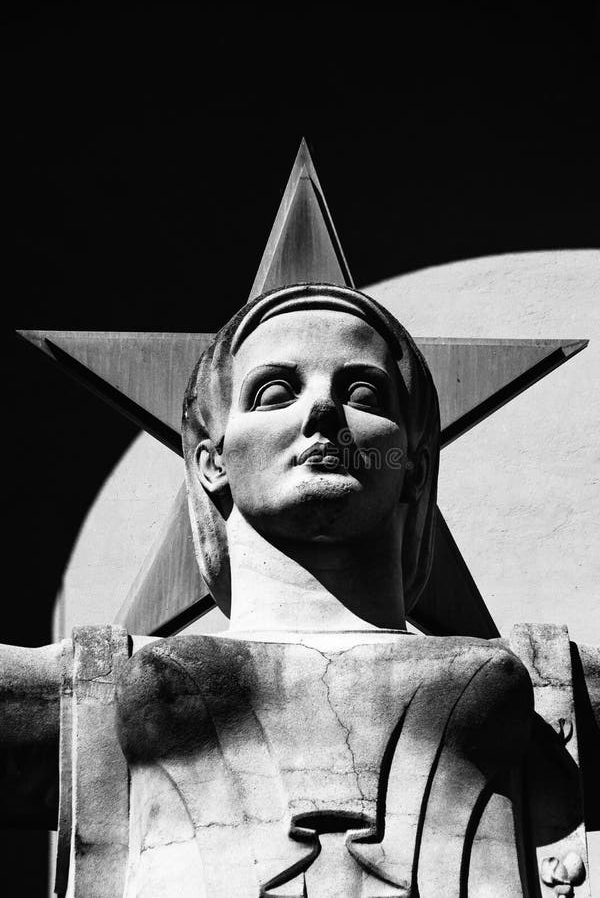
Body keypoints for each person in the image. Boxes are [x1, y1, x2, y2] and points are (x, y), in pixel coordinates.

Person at [0, 283, 593, 898]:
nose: (324, 413)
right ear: (213, 461)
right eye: (274, 392)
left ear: (412, 467)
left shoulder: (530, 692)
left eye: (362, 392)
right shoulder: (105, 688)